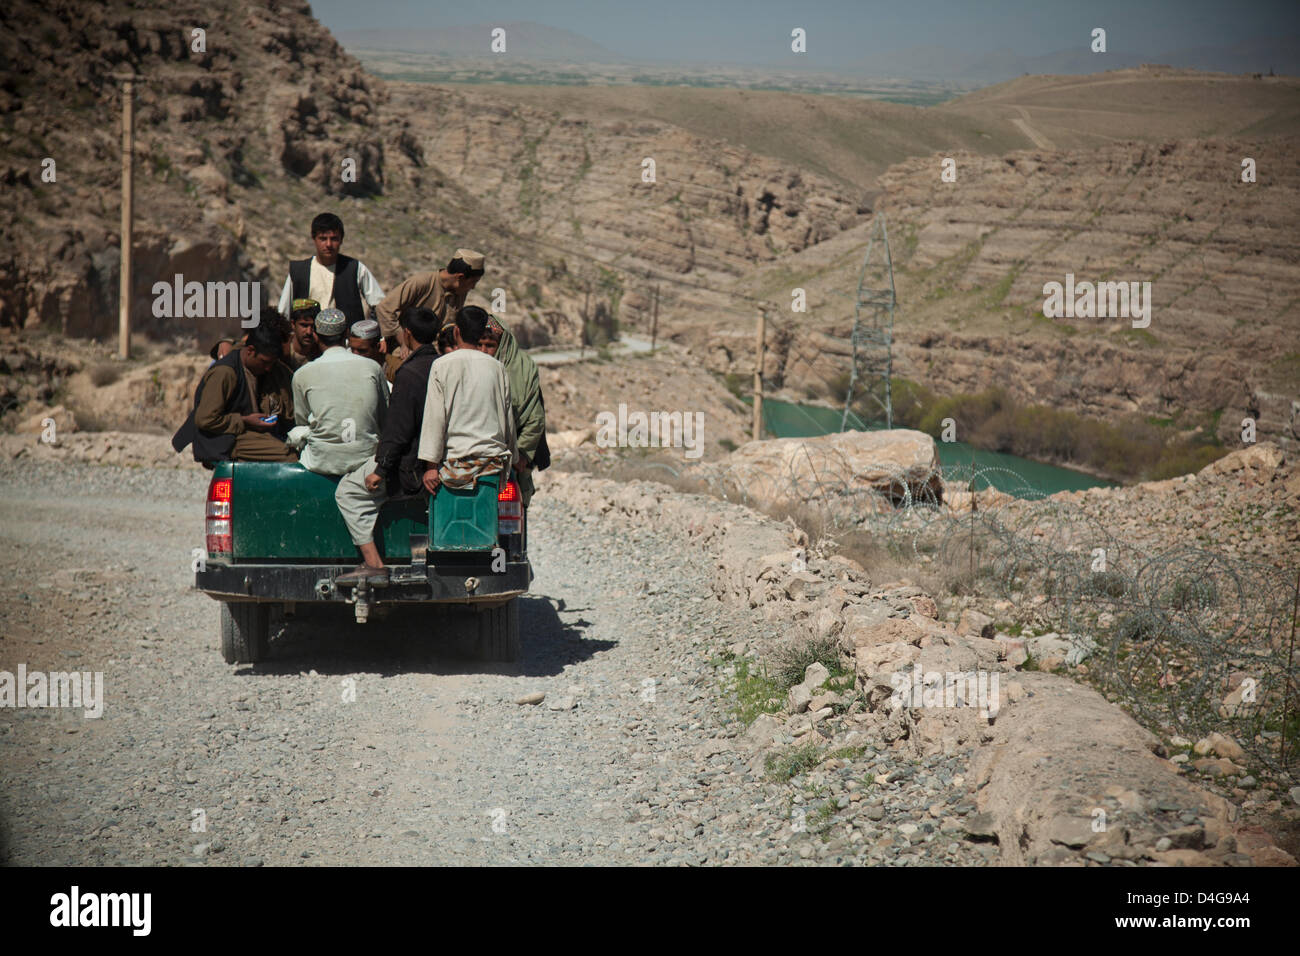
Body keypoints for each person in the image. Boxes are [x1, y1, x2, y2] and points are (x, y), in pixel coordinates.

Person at [333, 306, 442, 585]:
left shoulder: (409, 373)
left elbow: (398, 431)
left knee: (348, 491)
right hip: (437, 460)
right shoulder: (443, 366)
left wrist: (380, 470)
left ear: (407, 334)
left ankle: (373, 564)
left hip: (410, 465)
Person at [417, 306, 518, 497]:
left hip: (452, 466)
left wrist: (431, 466)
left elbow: (435, 417)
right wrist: (513, 456)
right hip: (492, 466)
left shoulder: (441, 365)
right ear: (481, 334)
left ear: (456, 332)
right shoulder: (497, 367)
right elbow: (507, 417)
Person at [172, 319, 296, 465]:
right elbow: (205, 419)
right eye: (264, 362)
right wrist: (244, 420)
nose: (268, 368)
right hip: (225, 440)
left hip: (243, 434)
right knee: (289, 456)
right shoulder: (225, 373)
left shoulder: (260, 369)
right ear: (250, 351)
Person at [289, 308, 388, 477]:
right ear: (347, 334)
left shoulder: (302, 374)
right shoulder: (372, 367)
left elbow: (302, 421)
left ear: (315, 336)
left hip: (321, 461)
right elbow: (384, 417)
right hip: (366, 460)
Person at [374, 249, 485, 381]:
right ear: (460, 277)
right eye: (473, 282)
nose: (472, 287)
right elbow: (384, 309)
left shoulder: (460, 290)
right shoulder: (421, 283)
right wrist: (404, 342)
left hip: (436, 358)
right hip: (405, 357)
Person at [276, 213, 384, 330]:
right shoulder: (299, 272)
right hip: (309, 342)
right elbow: (283, 313)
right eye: (323, 239)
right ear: (314, 239)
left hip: (347, 345)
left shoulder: (355, 269)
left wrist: (379, 336)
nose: (328, 244)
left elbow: (380, 304)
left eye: (334, 239)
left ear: (341, 240)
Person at [483, 315, 545, 507]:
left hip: (513, 461)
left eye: (490, 345)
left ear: (503, 344)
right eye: (479, 344)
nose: (484, 351)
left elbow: (535, 418)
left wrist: (522, 455)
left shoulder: (524, 368)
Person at [286, 298, 322, 370]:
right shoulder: (283, 353)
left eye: (313, 326)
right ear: (293, 324)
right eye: (304, 325)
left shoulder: (320, 353)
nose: (309, 332)